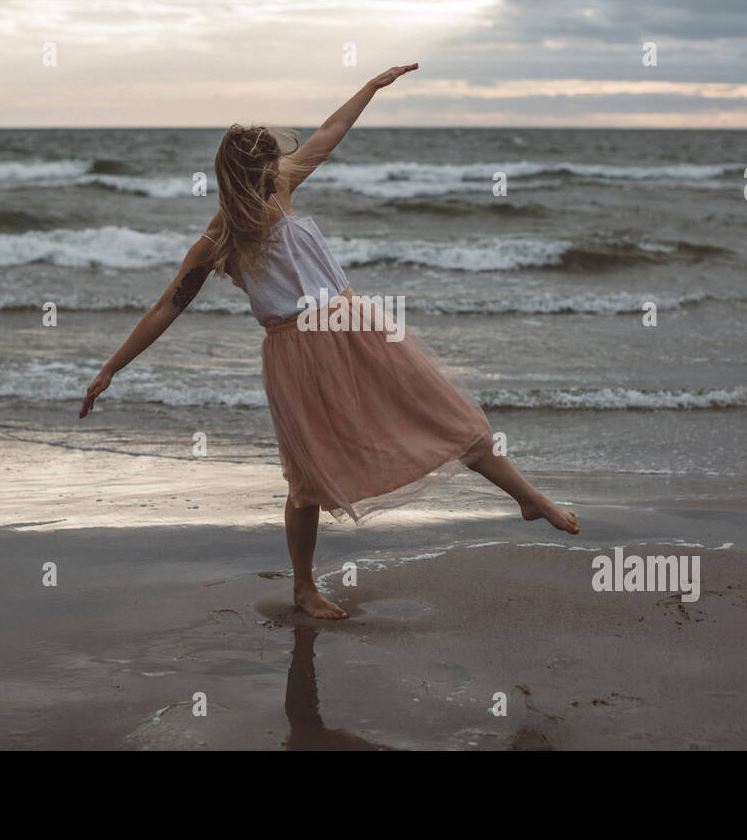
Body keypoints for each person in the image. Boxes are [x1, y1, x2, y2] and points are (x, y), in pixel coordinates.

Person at [81, 64, 578, 619]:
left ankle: (529, 499)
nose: (280, 165)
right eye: (270, 160)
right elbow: (165, 309)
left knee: (443, 411)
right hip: (297, 353)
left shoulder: (285, 186)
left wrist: (370, 88)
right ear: (249, 172)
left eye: (277, 158)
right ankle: (303, 587)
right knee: (307, 480)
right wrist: (111, 368)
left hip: (355, 325)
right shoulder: (217, 239)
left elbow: (328, 134)